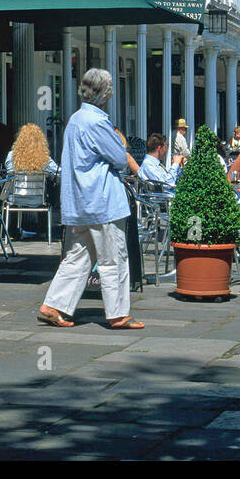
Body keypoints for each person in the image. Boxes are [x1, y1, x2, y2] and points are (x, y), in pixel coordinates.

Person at [38, 69, 143, 330]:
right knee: (113, 257)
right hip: (103, 200)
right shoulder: (97, 122)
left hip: (80, 201)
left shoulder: (75, 120)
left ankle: (54, 304)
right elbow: (119, 159)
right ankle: (118, 313)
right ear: (105, 94)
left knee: (79, 255)